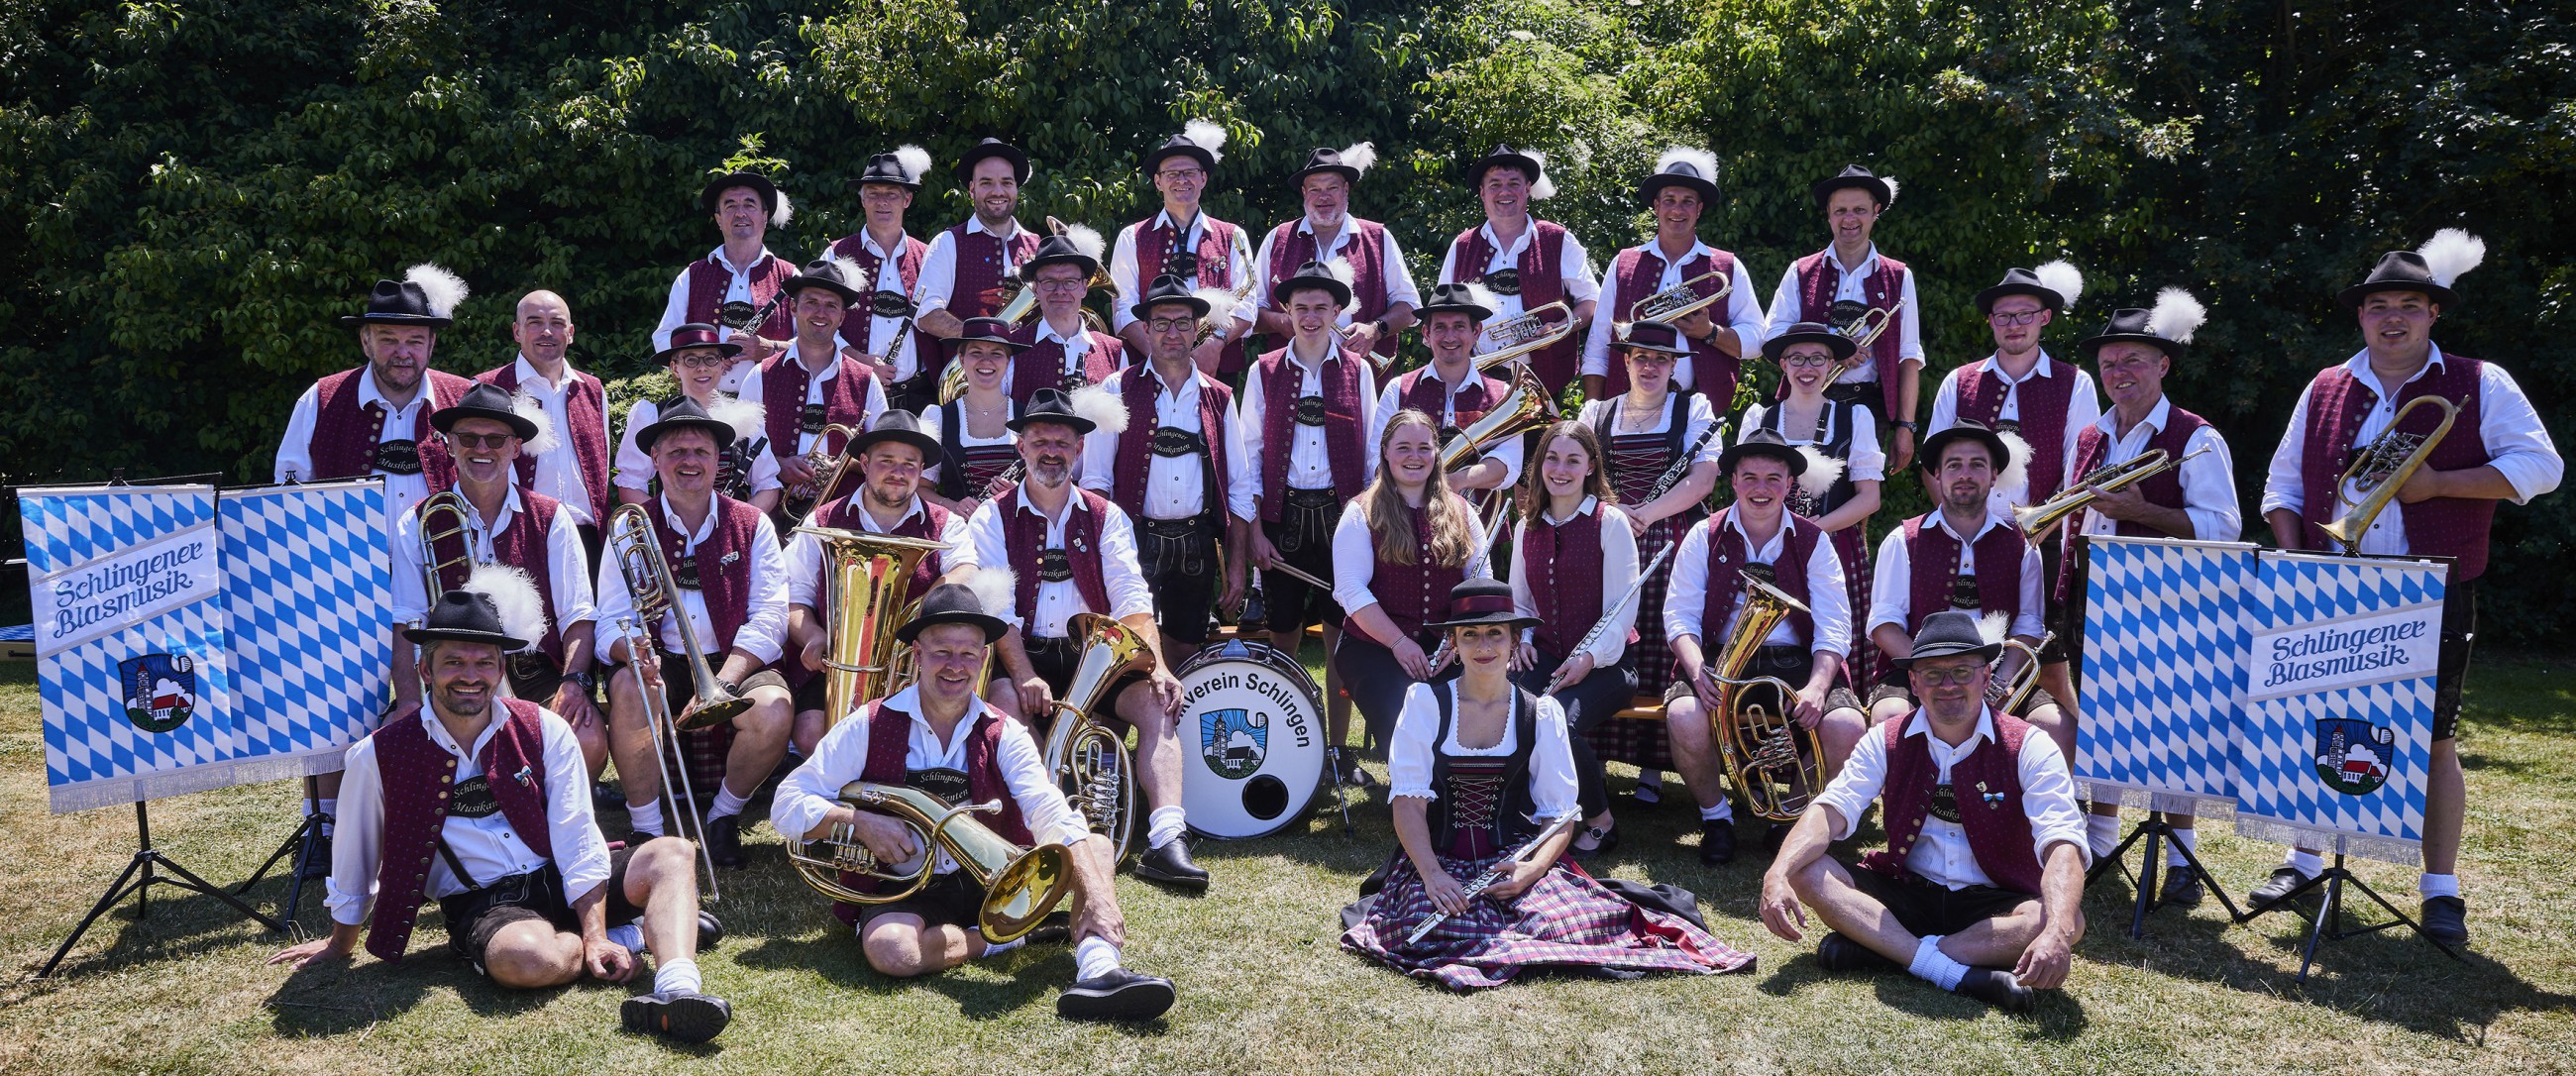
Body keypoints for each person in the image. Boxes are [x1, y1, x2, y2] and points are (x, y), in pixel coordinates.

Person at [2254, 232, 2561, 945]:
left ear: (2433, 315)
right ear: (2360, 317)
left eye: (2409, 307)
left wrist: (2437, 485)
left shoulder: (2479, 381)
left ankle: (2440, 891)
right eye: (2378, 306)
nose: (2392, 318)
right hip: (2332, 582)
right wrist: (2299, 557)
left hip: (2434, 584)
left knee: (2433, 740)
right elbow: (2283, 483)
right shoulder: (2327, 385)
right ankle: (2303, 862)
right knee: (2316, 725)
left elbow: (2541, 467)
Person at [269, 591, 731, 1043]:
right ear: (425, 669)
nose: (470, 676)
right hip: (486, 903)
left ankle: (676, 988)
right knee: (524, 961)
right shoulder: (378, 755)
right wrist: (339, 944)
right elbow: (356, 851)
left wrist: (591, 929)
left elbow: (575, 833)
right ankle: (630, 938)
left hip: (558, 875)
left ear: (501, 668)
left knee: (673, 853)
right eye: (454, 662)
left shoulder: (544, 727)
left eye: (484, 662)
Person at [772, 583, 1178, 1020]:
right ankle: (1012, 935)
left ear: (984, 660)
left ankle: (1100, 972)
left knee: (1094, 848)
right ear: (917, 656)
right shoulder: (868, 724)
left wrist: (1096, 894)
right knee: (891, 951)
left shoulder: (1004, 732)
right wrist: (857, 822)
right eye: (941, 651)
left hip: (996, 878)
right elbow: (786, 802)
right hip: (907, 885)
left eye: (968, 653)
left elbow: (1048, 809)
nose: (955, 666)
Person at [1341, 579, 1754, 991]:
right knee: (1422, 928)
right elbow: (1408, 804)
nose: (1483, 646)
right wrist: (1432, 875)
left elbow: (1560, 816)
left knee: (1560, 922)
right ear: (1453, 643)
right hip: (1437, 859)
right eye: (1470, 635)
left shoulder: (1541, 713)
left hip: (1511, 861)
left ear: (1515, 641)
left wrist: (1532, 870)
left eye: (1495, 634)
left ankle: (1522, 919)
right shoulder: (1424, 703)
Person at [1757, 608, 2089, 1014]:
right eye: (1932, 673)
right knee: (1806, 870)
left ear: (1986, 676)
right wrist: (1777, 872)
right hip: (1908, 891)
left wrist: (2055, 929)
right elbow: (1830, 809)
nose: (1948, 685)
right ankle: (1959, 972)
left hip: (1994, 904)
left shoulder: (2030, 745)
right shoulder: (1886, 738)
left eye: (1963, 671)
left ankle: (1886, 950)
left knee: (2067, 921)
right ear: (1913, 682)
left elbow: (2063, 843)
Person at [964, 387, 1209, 891]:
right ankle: (1050, 823)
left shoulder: (1106, 516)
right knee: (1004, 701)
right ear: (1021, 448)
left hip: (1093, 655)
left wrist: (1159, 665)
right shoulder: (991, 516)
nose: (1050, 451)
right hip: (1024, 652)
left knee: (1157, 702)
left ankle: (1166, 838)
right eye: (1039, 441)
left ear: (1078, 451)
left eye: (1062, 442)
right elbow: (996, 610)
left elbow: (1133, 599)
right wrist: (1026, 673)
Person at [2057, 289, 2241, 906]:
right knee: (2101, 716)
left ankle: (2183, 859)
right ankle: (2103, 837)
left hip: (2168, 598)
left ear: (2163, 365)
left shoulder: (2197, 435)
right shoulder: (2091, 435)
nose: (2119, 373)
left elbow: (2223, 526)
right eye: (2110, 363)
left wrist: (2144, 512)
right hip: (2095, 589)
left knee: (2171, 726)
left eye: (2133, 360)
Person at [595, 398, 796, 868]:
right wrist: (631, 650)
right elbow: (609, 617)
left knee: (774, 710)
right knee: (629, 688)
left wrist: (724, 680)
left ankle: (723, 816)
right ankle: (646, 828)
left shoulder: (753, 525)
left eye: (701, 451)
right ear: (655, 461)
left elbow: (770, 616)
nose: (690, 461)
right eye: (676, 451)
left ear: (717, 460)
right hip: (659, 660)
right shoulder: (629, 525)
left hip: (732, 661)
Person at [1662, 429, 1869, 864]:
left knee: (1847, 726)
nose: (1761, 488)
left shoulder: (1814, 541)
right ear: (1733, 481)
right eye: (1750, 477)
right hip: (1719, 658)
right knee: (1683, 713)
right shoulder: (1704, 534)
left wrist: (1816, 686)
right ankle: (1716, 817)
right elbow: (1679, 614)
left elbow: (1834, 626)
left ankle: (1789, 817)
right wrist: (1698, 669)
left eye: (1773, 478)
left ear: (1790, 485)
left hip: (1797, 660)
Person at [389, 383, 606, 777]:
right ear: (450, 445)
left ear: (515, 446)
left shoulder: (551, 517)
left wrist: (573, 682)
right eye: (468, 438)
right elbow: (407, 620)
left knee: (588, 740)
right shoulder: (418, 521)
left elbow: (578, 614)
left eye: (496, 439)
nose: (482, 449)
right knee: (396, 740)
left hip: (532, 669)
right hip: (454, 672)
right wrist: (407, 701)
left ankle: (545, 823)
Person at [1928, 264, 2100, 729]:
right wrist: (1958, 523)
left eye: (2025, 313)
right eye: (2003, 315)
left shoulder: (2075, 382)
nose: (2014, 324)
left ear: (2045, 317)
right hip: (1965, 537)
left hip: (2042, 545)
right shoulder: (1959, 381)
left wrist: (2040, 527)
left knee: (2049, 667)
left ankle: (2067, 769)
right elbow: (1934, 467)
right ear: (1990, 322)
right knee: (1964, 655)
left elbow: (2080, 468)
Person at [1240, 260, 1381, 781]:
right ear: (1287, 310)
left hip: (1343, 519)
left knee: (1341, 638)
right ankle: (1285, 743)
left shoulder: (1360, 371)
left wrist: (1367, 524)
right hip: (1282, 518)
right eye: (1301, 307)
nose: (1311, 316)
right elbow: (1248, 457)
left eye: (1321, 307)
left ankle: (1340, 753)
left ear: (1337, 311)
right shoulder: (1263, 370)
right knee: (1283, 635)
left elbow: (1371, 456)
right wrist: (1254, 530)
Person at [1081, 275, 1254, 666]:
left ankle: (1174, 727)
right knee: (1122, 654)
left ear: (1197, 329)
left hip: (1196, 544)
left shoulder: (1220, 398)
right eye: (1161, 322)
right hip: (1132, 544)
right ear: (1145, 329)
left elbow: (1240, 490)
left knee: (1183, 651)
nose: (1172, 332)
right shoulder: (1114, 389)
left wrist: (1238, 564)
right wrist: (1101, 554)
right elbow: (1095, 483)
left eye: (1181, 322)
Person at [1864, 421, 2066, 750]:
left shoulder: (2023, 545)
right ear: (1938, 475)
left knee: (2057, 727)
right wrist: (1929, 673)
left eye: (1977, 465)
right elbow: (1884, 626)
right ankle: (1909, 800)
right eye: (1954, 465)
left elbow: (2029, 624)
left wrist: (1998, 683)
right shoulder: (1903, 540)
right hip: (1918, 669)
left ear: (1994, 476)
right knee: (1890, 715)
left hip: (1996, 674)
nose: (1965, 474)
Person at [785, 409, 975, 753]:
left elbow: (965, 570)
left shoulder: (945, 524)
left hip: (909, 667)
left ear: (920, 471)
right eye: (887, 461)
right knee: (813, 734)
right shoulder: (824, 519)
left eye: (909, 464)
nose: (898, 473)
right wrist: (811, 635)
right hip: (836, 662)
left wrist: (915, 616)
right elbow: (793, 595)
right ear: (864, 462)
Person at [1505, 420, 1638, 858]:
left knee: (1555, 720)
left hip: (1609, 665)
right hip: (1543, 656)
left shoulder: (1611, 523)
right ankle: (1522, 812)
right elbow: (1520, 603)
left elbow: (1623, 613)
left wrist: (1590, 657)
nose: (1561, 469)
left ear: (1590, 467)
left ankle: (1600, 820)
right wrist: (1521, 637)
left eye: (1573, 460)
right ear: (1540, 463)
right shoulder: (1527, 527)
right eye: (1552, 458)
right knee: (1506, 713)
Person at [1574, 321, 1724, 706]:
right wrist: (1614, 510)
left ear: (1674, 365)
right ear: (1625, 362)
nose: (1650, 367)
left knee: (1663, 630)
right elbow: (1574, 472)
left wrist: (1647, 514)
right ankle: (1596, 736)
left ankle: (1654, 758)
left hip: (1672, 539)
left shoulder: (1694, 408)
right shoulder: (1596, 412)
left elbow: (1704, 479)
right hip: (1605, 536)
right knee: (1605, 626)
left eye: (1661, 359)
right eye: (1641, 358)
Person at [1330, 409, 1490, 761]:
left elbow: (1480, 585)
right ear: (1385, 451)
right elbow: (1351, 590)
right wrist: (1399, 642)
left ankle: (1466, 800)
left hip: (1448, 650)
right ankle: (1418, 804)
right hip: (1373, 650)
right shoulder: (1360, 512)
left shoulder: (1463, 512)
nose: (1414, 457)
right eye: (1403, 447)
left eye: (1424, 448)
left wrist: (1457, 641)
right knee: (1408, 725)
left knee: (1475, 721)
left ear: (1436, 453)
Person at [274, 264, 476, 525]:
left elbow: (494, 490)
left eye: (415, 341)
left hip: (445, 563)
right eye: (388, 340)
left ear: (431, 344)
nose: (403, 353)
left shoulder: (464, 398)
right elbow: (288, 493)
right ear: (365, 341)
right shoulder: (320, 399)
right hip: (346, 563)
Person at [1743, 323, 1885, 689]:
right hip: (1766, 550)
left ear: (1831, 364)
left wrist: (1814, 530)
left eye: (1818, 358)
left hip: (1835, 545)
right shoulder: (1759, 418)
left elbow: (1870, 497)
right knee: (1770, 644)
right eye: (1797, 358)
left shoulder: (1856, 417)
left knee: (1831, 639)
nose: (1807, 368)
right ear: (1784, 365)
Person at [1764, 164, 1923, 470]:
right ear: (1828, 213)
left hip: (1870, 404)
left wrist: (1906, 426)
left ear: (1876, 211)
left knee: (1861, 495)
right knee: (1796, 489)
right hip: (1805, 399)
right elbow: (1773, 336)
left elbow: (1909, 357)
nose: (1849, 219)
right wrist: (1833, 347)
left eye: (1859, 210)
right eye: (1841, 211)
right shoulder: (1801, 271)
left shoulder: (1899, 276)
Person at [1581, 149, 1766, 404]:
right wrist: (1591, 411)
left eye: (1687, 201)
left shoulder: (1727, 266)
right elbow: (1599, 343)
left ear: (1699, 209)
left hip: (1698, 408)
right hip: (1626, 404)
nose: (1677, 210)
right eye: (1669, 200)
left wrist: (1710, 332)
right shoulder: (1624, 263)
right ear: (1656, 207)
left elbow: (1757, 340)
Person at [736, 258, 893, 522]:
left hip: (845, 517)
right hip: (773, 515)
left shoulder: (866, 381)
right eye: (811, 303)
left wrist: (842, 466)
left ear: (842, 317)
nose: (821, 313)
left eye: (831, 306)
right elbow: (741, 449)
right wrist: (778, 465)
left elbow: (886, 456)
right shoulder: (760, 375)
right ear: (794, 308)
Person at [1238, 145, 1421, 367]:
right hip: (1290, 375)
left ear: (1346, 189)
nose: (1323, 197)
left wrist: (1375, 330)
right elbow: (1250, 311)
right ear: (1304, 193)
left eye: (1332, 188)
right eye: (1314, 189)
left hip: (1361, 374)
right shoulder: (1277, 239)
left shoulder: (1379, 238)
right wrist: (1281, 322)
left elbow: (1410, 307)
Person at [1439, 146, 1597, 395]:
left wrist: (1559, 328)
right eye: (1494, 185)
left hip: (1543, 380)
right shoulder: (1462, 246)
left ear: (1528, 189)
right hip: (1476, 381)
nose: (1504, 192)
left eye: (1514, 183)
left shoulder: (1559, 240)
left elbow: (1590, 303)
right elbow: (1441, 312)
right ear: (1482, 193)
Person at [1110, 121, 1258, 378]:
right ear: (1158, 182)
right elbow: (1123, 309)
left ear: (1203, 178)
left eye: (1189, 172)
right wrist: (1159, 355)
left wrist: (1214, 344)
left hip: (1215, 365)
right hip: (1149, 367)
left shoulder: (1233, 235)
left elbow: (1247, 306)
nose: (1181, 180)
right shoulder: (1130, 237)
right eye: (1171, 174)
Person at [477, 290, 612, 555]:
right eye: (535, 322)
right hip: (518, 537)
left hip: (590, 540)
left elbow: (602, 472)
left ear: (571, 333)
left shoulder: (593, 389)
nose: (547, 332)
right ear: (517, 331)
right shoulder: (487, 388)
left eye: (557, 323)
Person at [1368, 281, 1520, 499]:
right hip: (1405, 520)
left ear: (1476, 332)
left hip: (1476, 523)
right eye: (1440, 327)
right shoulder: (1398, 389)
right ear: (1426, 333)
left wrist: (1457, 481)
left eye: (1459, 326)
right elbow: (1376, 458)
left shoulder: (1501, 395)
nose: (1450, 337)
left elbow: (1510, 462)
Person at [613, 324, 782, 515]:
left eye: (711, 359)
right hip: (667, 533)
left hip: (728, 535)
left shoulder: (747, 417)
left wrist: (738, 524)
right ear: (675, 368)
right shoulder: (651, 415)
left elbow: (767, 486)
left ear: (721, 364)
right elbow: (630, 485)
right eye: (691, 360)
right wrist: (664, 523)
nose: (702, 368)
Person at [654, 169, 795, 386]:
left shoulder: (790, 277)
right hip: (706, 406)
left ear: (765, 216)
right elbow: (663, 338)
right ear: (718, 219)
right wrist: (702, 356)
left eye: (749, 204)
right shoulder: (691, 276)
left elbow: (815, 344)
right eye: (730, 206)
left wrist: (771, 348)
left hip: (771, 407)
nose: (740, 213)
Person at [825, 147, 937, 413]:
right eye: (873, 195)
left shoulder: (930, 256)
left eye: (891, 195)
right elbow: (817, 320)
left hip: (920, 395)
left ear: (907, 200)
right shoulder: (836, 254)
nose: (882, 202)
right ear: (862, 200)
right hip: (853, 386)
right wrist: (858, 360)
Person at [916, 139, 1044, 339]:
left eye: (1006, 182)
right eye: (986, 183)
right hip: (971, 368)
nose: (997, 191)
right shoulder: (948, 243)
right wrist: (980, 342)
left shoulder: (1037, 245)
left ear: (1016, 188)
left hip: (1028, 369)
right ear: (972, 188)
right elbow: (926, 313)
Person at [1007, 231, 1127, 402]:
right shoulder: (1012, 349)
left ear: (1084, 287)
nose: (1060, 291)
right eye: (1049, 282)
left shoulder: (1114, 351)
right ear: (1036, 290)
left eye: (1070, 282)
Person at [922, 317, 1025, 516]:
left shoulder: (1028, 418)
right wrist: (951, 506)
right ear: (961, 359)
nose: (986, 361)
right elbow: (918, 489)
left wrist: (1020, 495)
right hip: (960, 535)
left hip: (1017, 533)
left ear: (1008, 361)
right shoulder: (938, 418)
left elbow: (1051, 489)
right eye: (976, 353)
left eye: (996, 354)